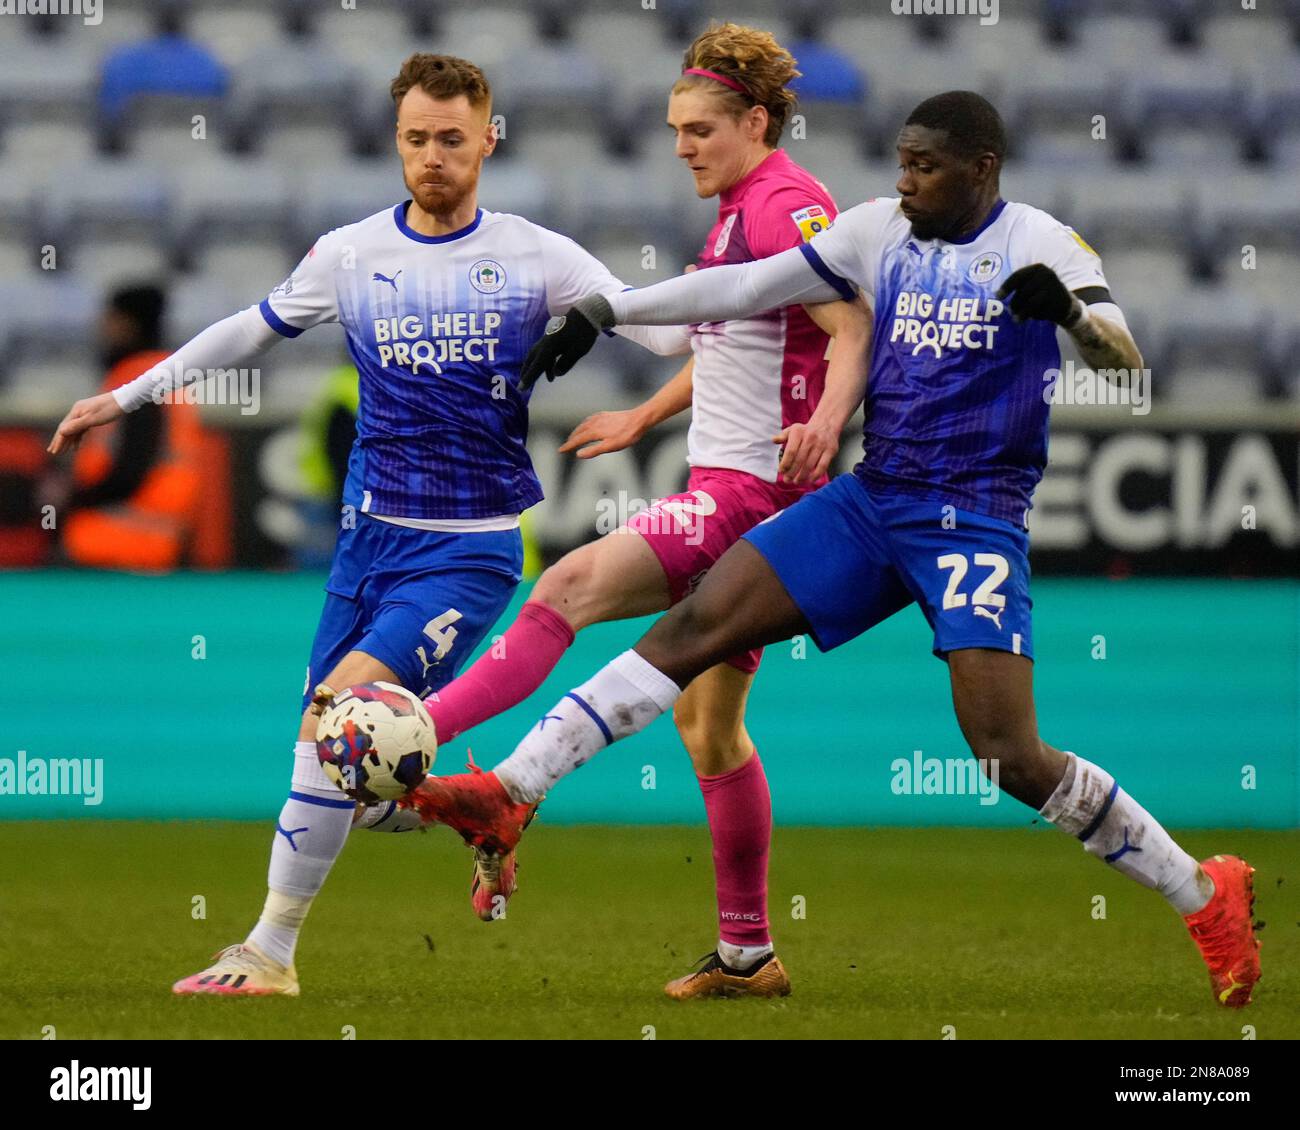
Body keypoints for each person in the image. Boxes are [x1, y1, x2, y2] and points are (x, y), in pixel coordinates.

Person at [409, 91, 1261, 1009]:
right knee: (698, 622)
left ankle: (1205, 894)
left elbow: (1126, 363)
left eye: (924, 166)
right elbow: (744, 287)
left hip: (972, 517)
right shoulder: (875, 231)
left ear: (981, 169)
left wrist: (1074, 317)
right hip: (872, 498)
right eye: (899, 160)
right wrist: (607, 312)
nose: (904, 180)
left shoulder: (1041, 244)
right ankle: (513, 787)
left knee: (1007, 754)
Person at [48, 53, 689, 997]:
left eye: (453, 139)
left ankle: (269, 953)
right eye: (418, 139)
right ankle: (474, 811)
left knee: (331, 729)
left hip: (466, 551)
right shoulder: (350, 254)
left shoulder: (537, 256)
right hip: (365, 543)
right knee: (339, 755)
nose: (434, 157)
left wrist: (645, 307)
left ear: (489, 139)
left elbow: (674, 332)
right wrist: (131, 393)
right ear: (396, 141)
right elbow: (247, 329)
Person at [378, 22, 870, 1001]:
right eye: (673, 128)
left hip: (752, 494)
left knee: (566, 584)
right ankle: (747, 954)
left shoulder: (783, 205)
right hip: (741, 488)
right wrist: (644, 412)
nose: (680, 144)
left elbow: (847, 320)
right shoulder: (738, 214)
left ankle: (415, 747)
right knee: (710, 729)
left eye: (697, 128)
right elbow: (739, 340)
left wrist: (824, 420)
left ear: (756, 121)